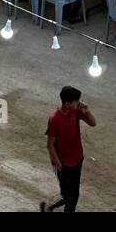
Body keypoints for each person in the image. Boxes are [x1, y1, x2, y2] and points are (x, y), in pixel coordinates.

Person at [42, 85, 95, 213]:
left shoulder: (75, 111)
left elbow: (93, 123)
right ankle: (50, 206)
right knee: (68, 195)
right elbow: (50, 145)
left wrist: (87, 111)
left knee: (73, 196)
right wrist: (60, 166)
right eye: (77, 101)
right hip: (63, 164)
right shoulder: (55, 119)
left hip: (77, 159)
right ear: (67, 104)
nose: (79, 103)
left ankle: (50, 206)